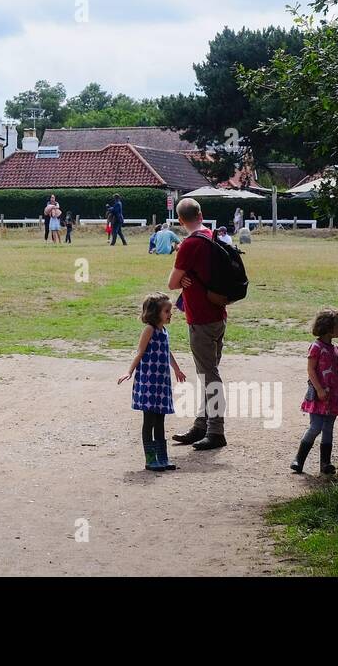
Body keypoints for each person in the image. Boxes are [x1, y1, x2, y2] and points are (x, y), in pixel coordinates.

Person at [168, 197, 228, 450]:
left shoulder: (190, 244)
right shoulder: (213, 237)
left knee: (209, 376)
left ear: (181, 220)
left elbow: (172, 282)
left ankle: (216, 431)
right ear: (201, 215)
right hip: (218, 314)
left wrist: (181, 281)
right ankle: (201, 425)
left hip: (201, 318)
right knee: (208, 372)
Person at [119, 293, 188, 471]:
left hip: (161, 384)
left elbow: (167, 352)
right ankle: (150, 459)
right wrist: (129, 372)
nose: (170, 314)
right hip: (149, 383)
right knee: (149, 421)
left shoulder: (164, 332)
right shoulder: (149, 330)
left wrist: (177, 368)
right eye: (166, 311)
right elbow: (140, 352)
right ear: (155, 313)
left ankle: (163, 458)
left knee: (160, 421)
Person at [291, 309, 338, 474]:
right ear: (328, 328)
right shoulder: (316, 347)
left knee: (328, 428)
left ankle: (325, 463)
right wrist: (319, 389)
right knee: (315, 427)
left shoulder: (337, 349)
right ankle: (299, 459)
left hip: (334, 396)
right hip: (319, 396)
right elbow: (311, 370)